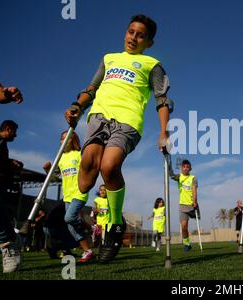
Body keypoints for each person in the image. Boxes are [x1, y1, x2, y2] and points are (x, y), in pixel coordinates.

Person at [64, 14, 173, 263]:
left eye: (140, 35)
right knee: (89, 166)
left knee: (109, 166)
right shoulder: (108, 58)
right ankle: (76, 217)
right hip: (98, 117)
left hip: (128, 122)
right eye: (131, 31)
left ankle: (114, 226)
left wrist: (163, 131)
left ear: (149, 42)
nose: (133, 38)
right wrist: (76, 107)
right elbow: (91, 88)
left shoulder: (152, 64)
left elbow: (163, 99)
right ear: (125, 32)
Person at [43, 131, 95, 263]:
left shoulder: (79, 154)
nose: (63, 141)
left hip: (79, 192)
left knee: (69, 218)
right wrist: (48, 170)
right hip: (67, 196)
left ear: (73, 140)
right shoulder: (60, 158)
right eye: (61, 139)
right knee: (70, 226)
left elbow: (89, 169)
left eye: (67, 138)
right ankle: (88, 251)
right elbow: (55, 178)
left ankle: (88, 227)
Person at [0, 120, 23, 273]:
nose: (16, 135)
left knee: (0, 216)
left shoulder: (1, 143)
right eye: (14, 131)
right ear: (8, 128)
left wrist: (10, 163)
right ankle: (9, 241)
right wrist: (10, 163)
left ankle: (9, 242)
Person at [169, 159, 198, 252]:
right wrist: (169, 165)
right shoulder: (179, 177)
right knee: (184, 226)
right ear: (181, 168)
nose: (185, 168)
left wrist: (194, 201)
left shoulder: (193, 178)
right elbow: (172, 175)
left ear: (190, 169)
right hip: (182, 206)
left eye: (187, 167)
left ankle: (197, 213)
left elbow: (194, 190)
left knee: (198, 219)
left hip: (192, 204)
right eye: (184, 167)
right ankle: (187, 244)